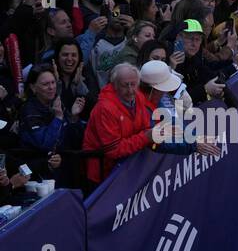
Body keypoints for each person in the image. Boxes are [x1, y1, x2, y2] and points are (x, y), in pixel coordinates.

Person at [81, 63, 220, 189]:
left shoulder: (140, 98)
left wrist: (194, 138)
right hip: (103, 179)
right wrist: (192, 144)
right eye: (125, 85)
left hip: (124, 176)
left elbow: (167, 125)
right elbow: (114, 150)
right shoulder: (105, 109)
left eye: (133, 84)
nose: (130, 90)